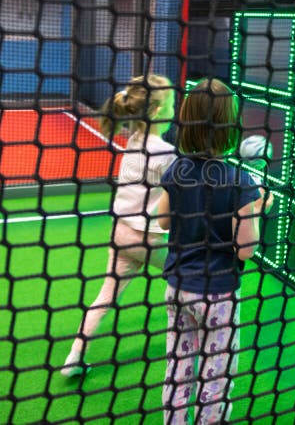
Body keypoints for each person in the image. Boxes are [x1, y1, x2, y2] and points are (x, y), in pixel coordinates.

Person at [155, 78, 273, 424]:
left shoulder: (178, 169)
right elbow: (246, 249)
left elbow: (162, 220)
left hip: (177, 288)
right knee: (215, 376)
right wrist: (256, 207)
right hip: (218, 294)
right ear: (230, 128)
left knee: (178, 367)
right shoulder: (239, 181)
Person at [61, 73, 177, 378]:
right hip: (149, 239)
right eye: (171, 104)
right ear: (156, 112)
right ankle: (198, 334)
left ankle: (74, 356)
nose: (175, 110)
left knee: (106, 295)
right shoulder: (166, 153)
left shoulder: (134, 139)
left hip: (120, 232)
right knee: (187, 275)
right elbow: (177, 195)